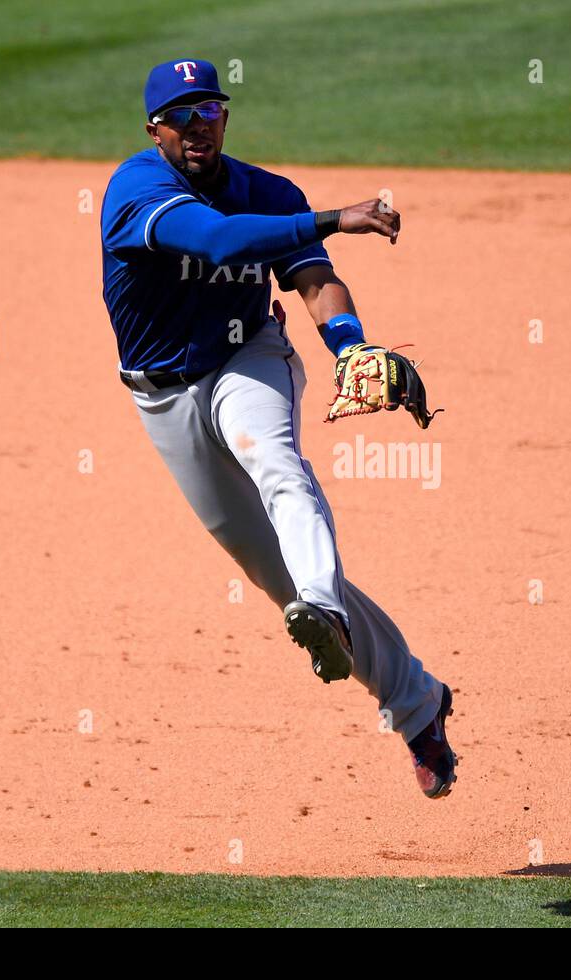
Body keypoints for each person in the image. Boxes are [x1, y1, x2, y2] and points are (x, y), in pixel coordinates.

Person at [99, 58, 457, 798]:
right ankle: (422, 700)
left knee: (278, 465)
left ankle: (323, 610)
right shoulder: (136, 191)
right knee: (271, 571)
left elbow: (314, 282)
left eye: (212, 111)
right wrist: (336, 215)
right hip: (163, 395)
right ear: (154, 129)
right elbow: (224, 242)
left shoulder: (269, 191)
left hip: (246, 356)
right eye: (184, 115)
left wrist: (351, 344)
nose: (200, 126)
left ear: (225, 117)